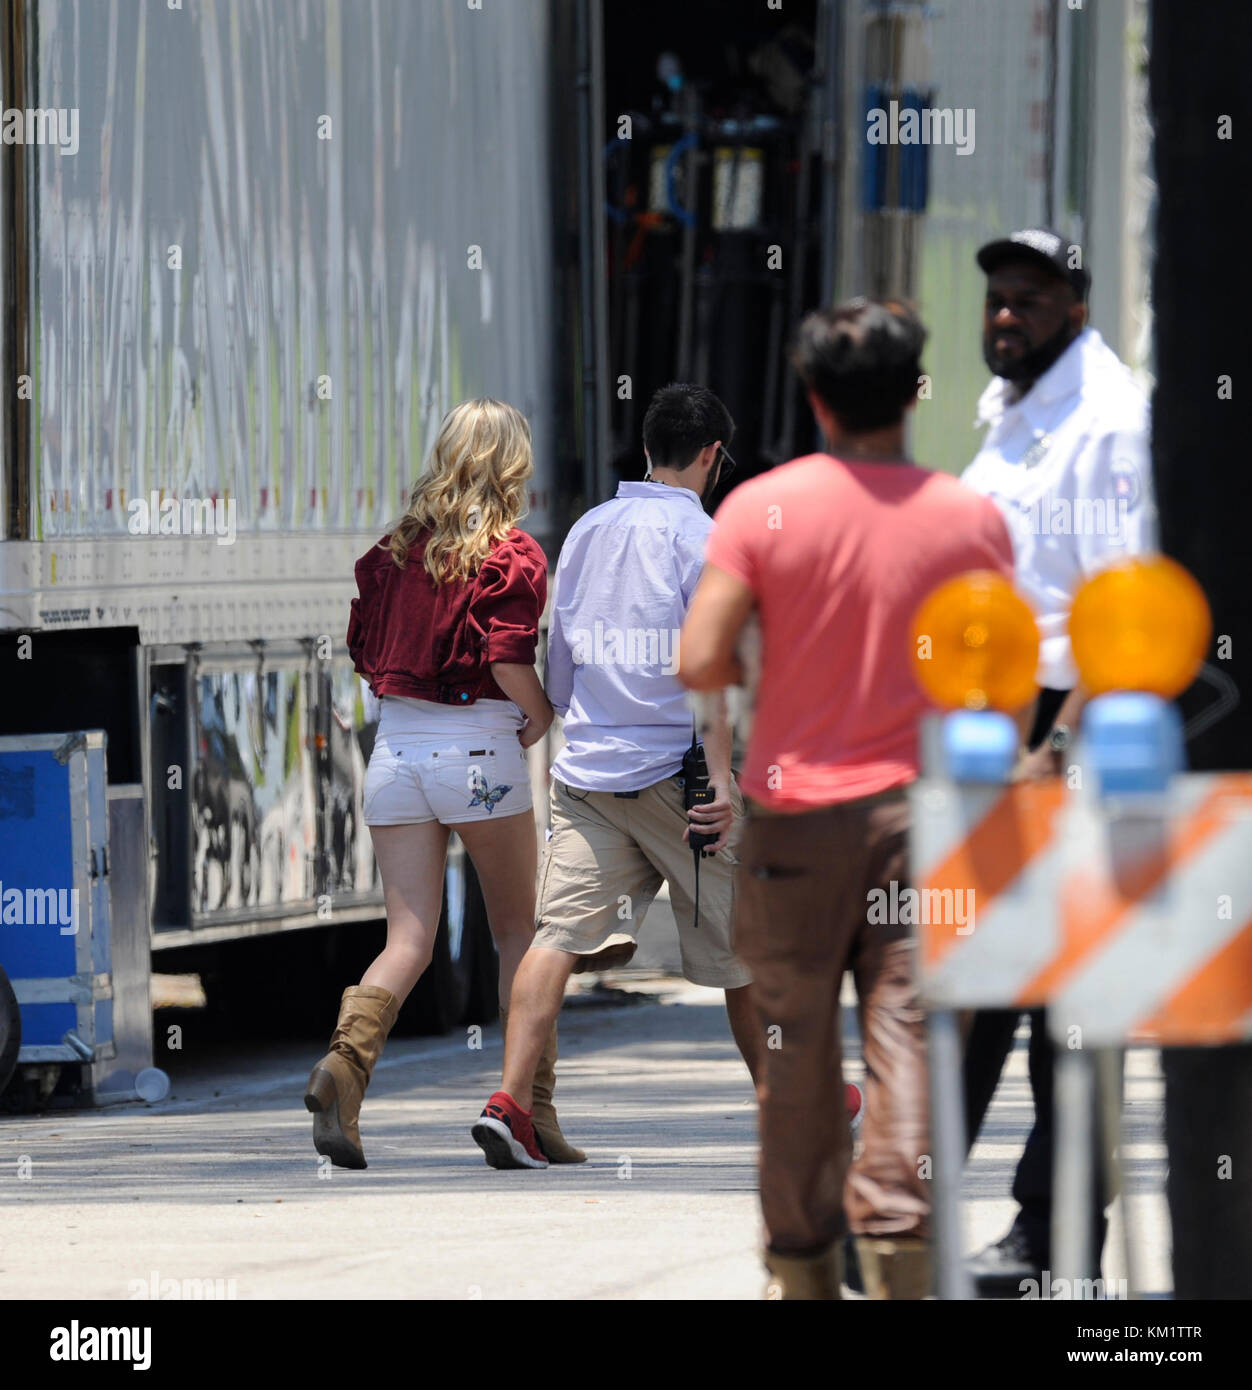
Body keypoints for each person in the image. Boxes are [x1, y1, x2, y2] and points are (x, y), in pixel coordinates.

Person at [679, 299, 1015, 1300]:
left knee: (795, 1049)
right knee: (908, 1029)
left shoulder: (763, 509)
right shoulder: (968, 516)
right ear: (913, 395)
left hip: (794, 821)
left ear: (816, 398)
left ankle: (803, 1268)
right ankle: (903, 1252)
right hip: (925, 821)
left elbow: (698, 657)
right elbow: (998, 680)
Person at [470, 384, 765, 1171]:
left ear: (645, 448)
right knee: (743, 955)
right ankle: (793, 1106)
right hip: (682, 780)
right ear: (710, 456)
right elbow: (710, 671)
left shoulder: (586, 531)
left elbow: (557, 657)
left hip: (588, 774)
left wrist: (579, 714)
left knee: (555, 939)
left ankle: (510, 1104)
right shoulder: (706, 540)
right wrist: (726, 783)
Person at [304, 398, 581, 1168]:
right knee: (520, 933)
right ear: (512, 465)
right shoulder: (511, 555)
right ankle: (530, 1110)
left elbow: (365, 654)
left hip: (395, 757)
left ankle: (343, 1070)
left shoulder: (393, 553)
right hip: (479, 758)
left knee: (409, 938)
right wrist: (540, 717)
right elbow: (505, 657)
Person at [959, 228, 1155, 1293]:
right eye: (995, 296)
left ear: (1075, 306)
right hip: (993, 724)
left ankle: (1051, 1234)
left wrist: (1057, 746)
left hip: (1070, 722)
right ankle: (904, 1207)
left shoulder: (1107, 422)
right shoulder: (1015, 412)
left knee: (1072, 1004)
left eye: (1027, 298)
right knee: (975, 985)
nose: (1004, 314)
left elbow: (1125, 612)